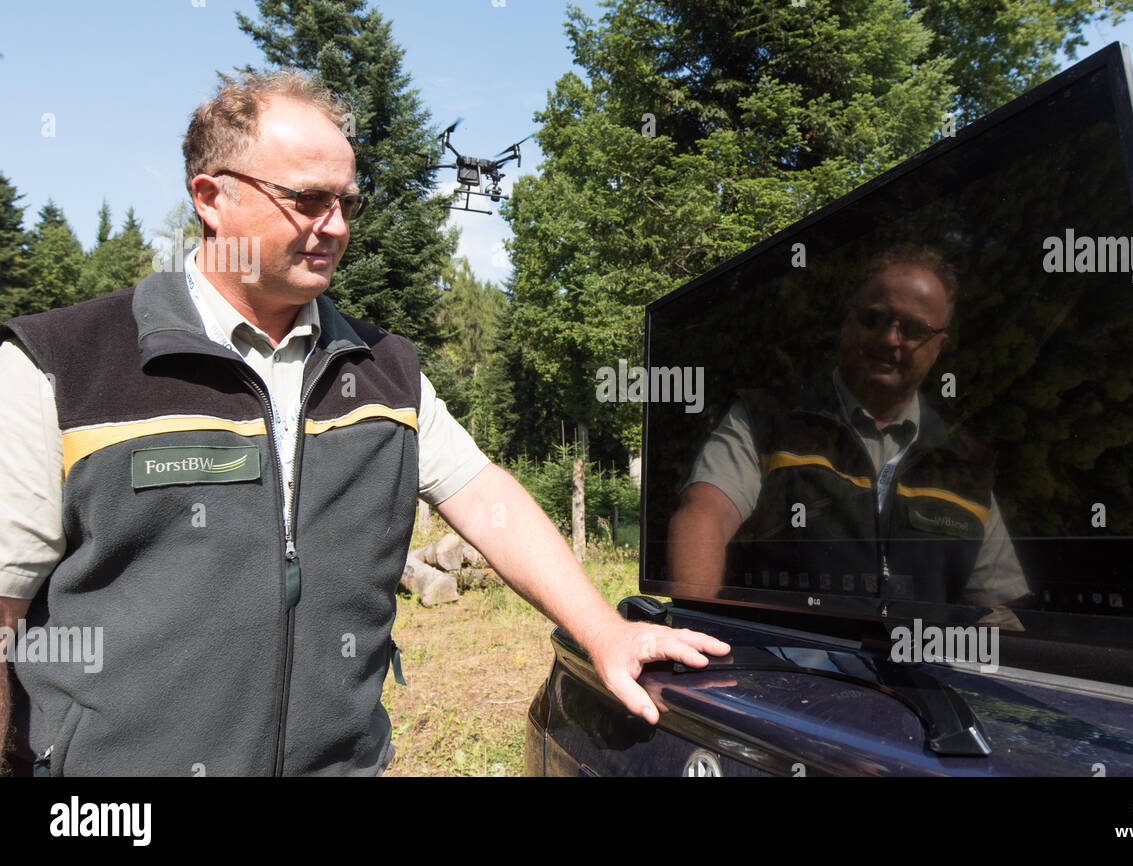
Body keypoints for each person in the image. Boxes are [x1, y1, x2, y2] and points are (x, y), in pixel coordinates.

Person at [0, 69, 727, 777]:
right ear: (211, 197)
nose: (336, 227)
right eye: (308, 200)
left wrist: (604, 630)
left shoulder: (385, 368)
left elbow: (483, 494)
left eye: (347, 201)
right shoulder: (62, 366)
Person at [667, 244, 1029, 617]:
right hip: (782, 666)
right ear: (848, 323)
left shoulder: (965, 465)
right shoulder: (767, 418)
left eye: (914, 329)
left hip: (916, 673)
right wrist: (696, 628)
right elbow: (705, 513)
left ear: (939, 347)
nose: (891, 339)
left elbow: (993, 606)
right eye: (874, 319)